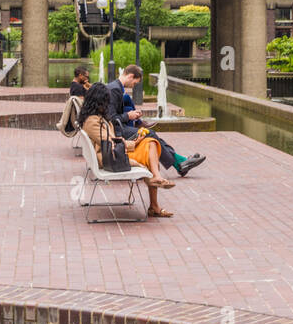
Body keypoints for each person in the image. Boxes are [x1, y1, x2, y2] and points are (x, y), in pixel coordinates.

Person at [77, 82, 174, 218]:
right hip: (109, 157)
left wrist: (135, 142)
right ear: (98, 101)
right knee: (149, 149)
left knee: (150, 142)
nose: (107, 105)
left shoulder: (97, 117)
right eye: (106, 101)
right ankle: (154, 198)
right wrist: (131, 147)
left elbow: (112, 141)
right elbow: (109, 142)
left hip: (113, 152)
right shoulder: (92, 121)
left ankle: (155, 183)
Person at [107, 65, 205, 177]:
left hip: (118, 128)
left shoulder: (116, 87)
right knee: (150, 133)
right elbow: (111, 118)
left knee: (154, 136)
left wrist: (131, 115)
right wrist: (128, 116)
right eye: (135, 83)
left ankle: (180, 162)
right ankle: (179, 163)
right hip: (116, 132)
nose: (133, 86)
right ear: (130, 76)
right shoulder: (115, 89)